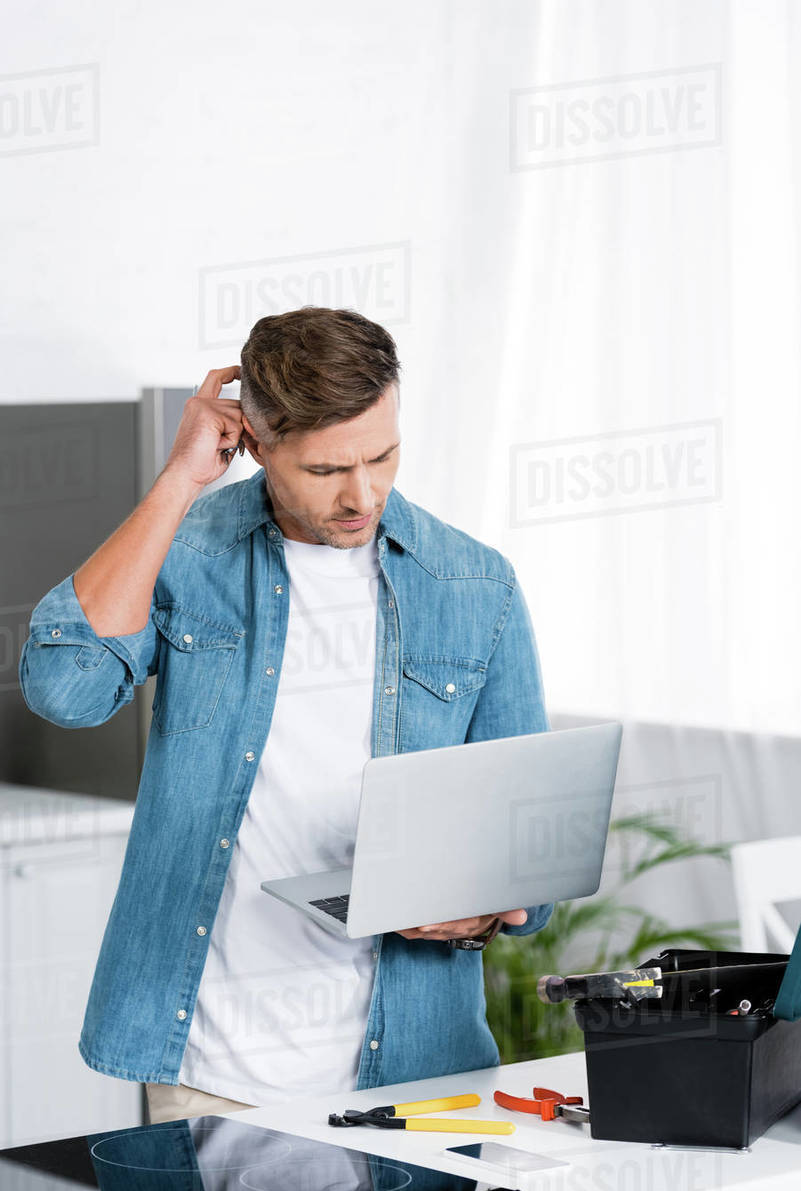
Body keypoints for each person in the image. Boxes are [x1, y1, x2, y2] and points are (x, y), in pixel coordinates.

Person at [19, 307, 552, 1124]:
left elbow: (528, 862)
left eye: (382, 455)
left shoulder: (475, 586)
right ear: (258, 446)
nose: (361, 494)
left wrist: (481, 909)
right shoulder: (188, 552)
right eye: (325, 468)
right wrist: (179, 481)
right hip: (211, 1069)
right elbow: (67, 689)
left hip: (416, 1077)